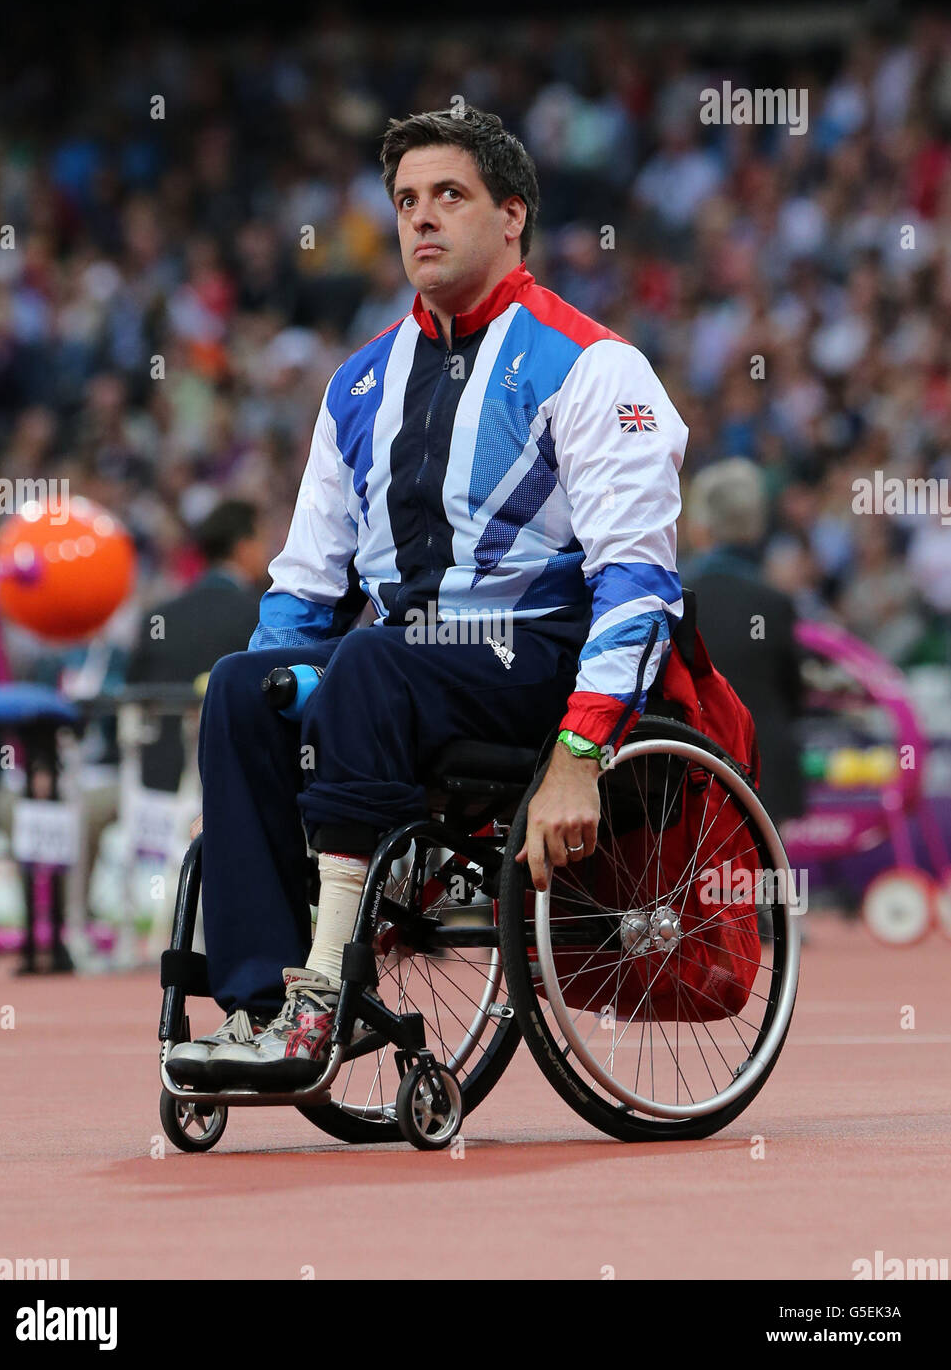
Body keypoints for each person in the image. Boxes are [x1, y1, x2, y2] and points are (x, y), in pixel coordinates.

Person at [168, 107, 688, 1091]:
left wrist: (580, 753)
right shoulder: (360, 382)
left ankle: (325, 994)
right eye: (406, 200)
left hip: (534, 655)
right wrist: (273, 706)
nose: (421, 218)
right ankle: (258, 1006)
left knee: (373, 657)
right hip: (404, 665)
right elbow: (305, 584)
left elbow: (639, 583)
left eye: (449, 195)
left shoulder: (592, 364)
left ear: (511, 216)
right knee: (240, 684)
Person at [683, 458, 804, 827]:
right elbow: (793, 694)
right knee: (765, 865)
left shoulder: (678, 597)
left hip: (694, 767)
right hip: (765, 770)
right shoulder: (772, 602)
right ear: (755, 527)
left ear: (701, 527)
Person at [125, 500, 266, 792]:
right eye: (262, 540)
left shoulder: (158, 617)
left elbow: (134, 691)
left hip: (153, 779)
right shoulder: (260, 618)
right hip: (227, 780)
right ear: (243, 547)